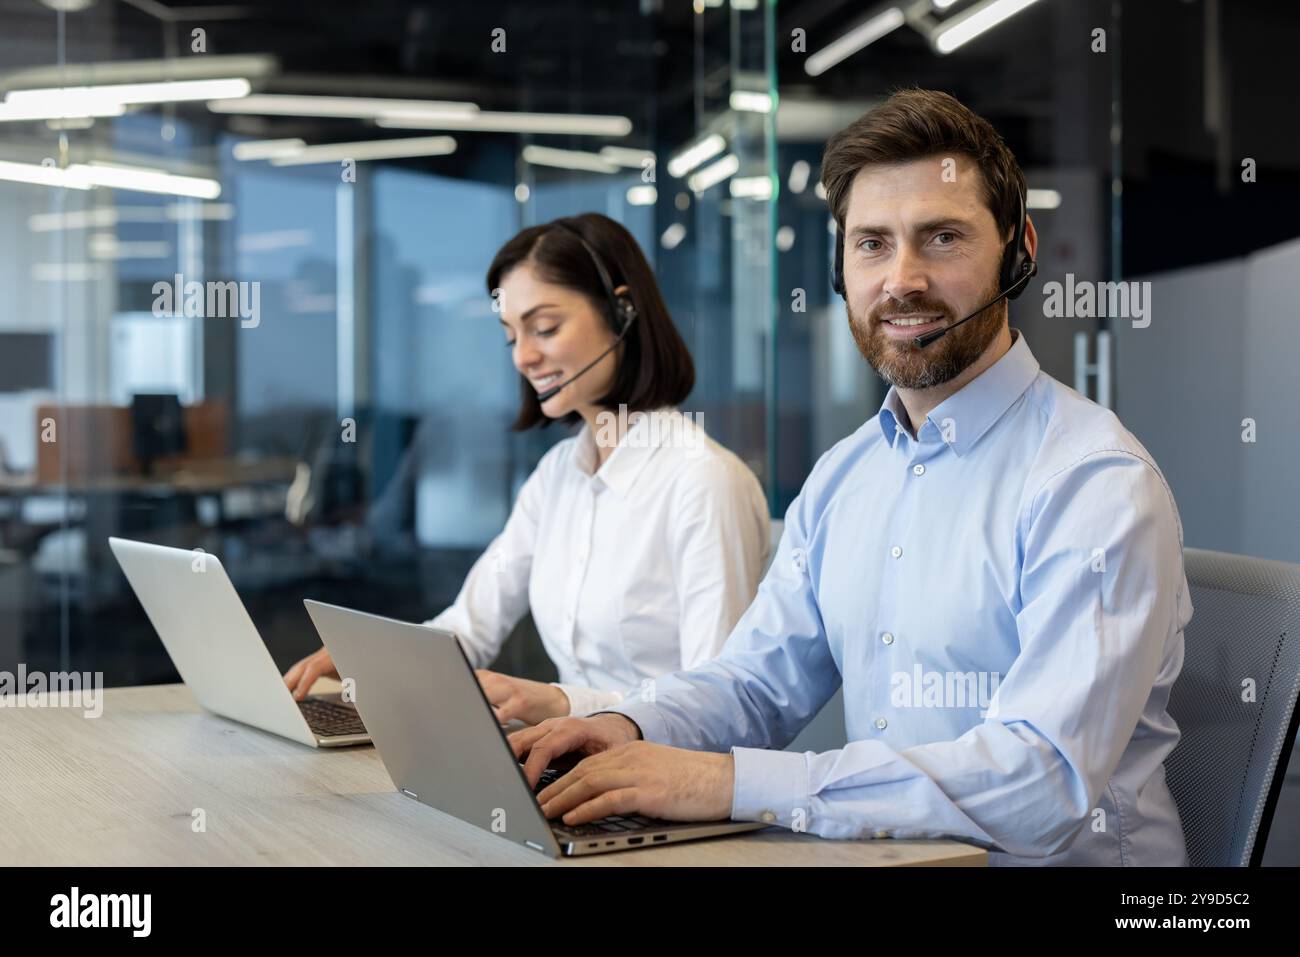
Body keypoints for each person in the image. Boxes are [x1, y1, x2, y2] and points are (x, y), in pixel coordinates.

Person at [509, 89, 1192, 867]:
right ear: (839, 267)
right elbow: (759, 682)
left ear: (1019, 248)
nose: (902, 279)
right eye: (871, 243)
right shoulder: (846, 476)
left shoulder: (1092, 482)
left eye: (941, 237)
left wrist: (728, 782)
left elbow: (1042, 782)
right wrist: (630, 726)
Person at [285, 213, 770, 725]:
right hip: (567, 764)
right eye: (512, 336)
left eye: (545, 328)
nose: (524, 356)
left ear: (622, 311)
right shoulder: (559, 475)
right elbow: (470, 628)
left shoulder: (703, 482)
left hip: (664, 785)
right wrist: (378, 659)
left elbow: (717, 708)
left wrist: (567, 703)